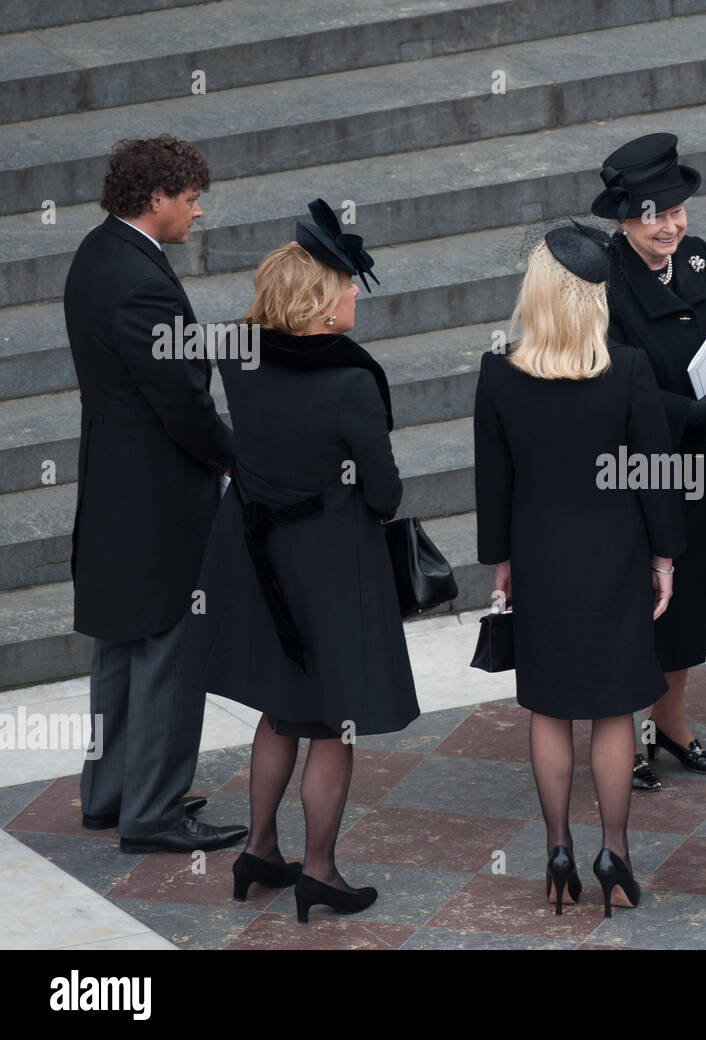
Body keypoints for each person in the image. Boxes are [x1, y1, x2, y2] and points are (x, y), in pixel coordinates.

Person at [182, 200, 419, 922]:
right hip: (328, 567)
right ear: (317, 305)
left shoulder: (239, 352)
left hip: (254, 557)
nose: (356, 293)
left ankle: (259, 847)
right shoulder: (351, 382)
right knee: (330, 724)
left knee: (281, 710)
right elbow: (383, 491)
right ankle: (318, 870)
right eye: (346, 286)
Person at [474, 223, 687, 917]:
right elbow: (656, 476)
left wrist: (501, 561)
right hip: (614, 558)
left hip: (539, 558)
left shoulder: (499, 373)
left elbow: (494, 483)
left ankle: (558, 847)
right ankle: (614, 851)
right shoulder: (626, 369)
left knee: (549, 705)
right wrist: (665, 557)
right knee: (613, 706)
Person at [63, 134, 246, 854]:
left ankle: (109, 793)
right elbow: (181, 401)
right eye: (191, 198)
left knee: (119, 644)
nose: (198, 212)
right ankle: (154, 811)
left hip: (112, 484)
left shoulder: (94, 252)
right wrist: (233, 457)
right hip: (159, 496)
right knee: (171, 649)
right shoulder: (142, 281)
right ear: (156, 199)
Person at [592, 133, 706, 791]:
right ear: (626, 218)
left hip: (701, 462)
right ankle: (622, 737)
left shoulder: (702, 258)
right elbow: (605, 381)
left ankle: (672, 725)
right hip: (639, 471)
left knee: (687, 606)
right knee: (639, 608)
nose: (671, 225)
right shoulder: (601, 279)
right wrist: (691, 412)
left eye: (678, 210)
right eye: (655, 214)